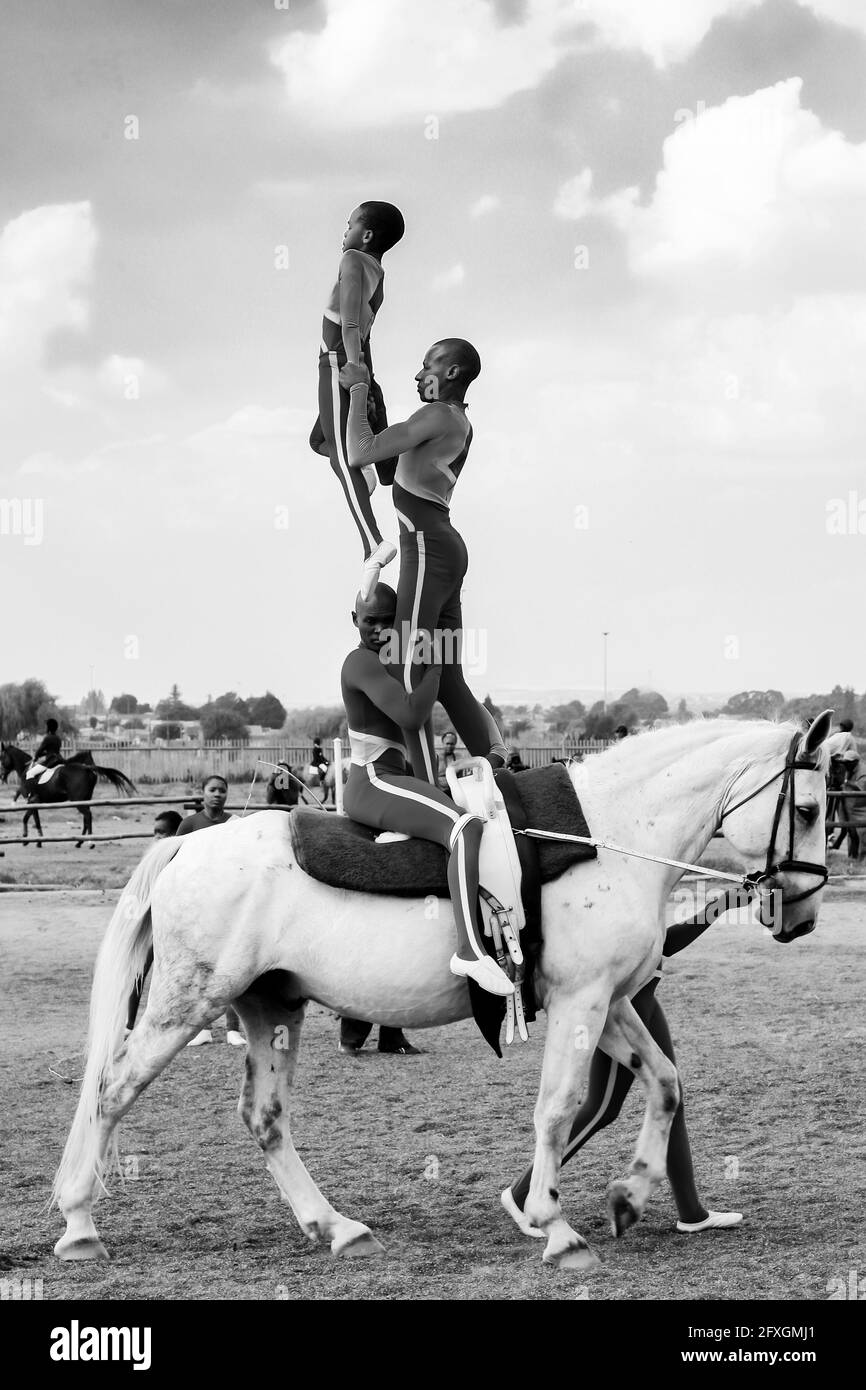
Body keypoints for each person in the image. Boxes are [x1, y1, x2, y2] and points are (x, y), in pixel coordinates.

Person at [501, 897, 744, 1238]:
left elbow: (664, 943)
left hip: (646, 1000)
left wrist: (724, 905)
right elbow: (664, 945)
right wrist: (722, 906)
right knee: (602, 1108)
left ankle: (691, 1212)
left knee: (670, 1098)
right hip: (626, 1004)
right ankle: (521, 1192)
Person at [341, 339, 507, 785]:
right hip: (446, 548)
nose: (417, 376)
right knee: (447, 672)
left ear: (451, 373)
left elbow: (359, 452)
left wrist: (357, 390)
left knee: (406, 667)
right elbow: (395, 471)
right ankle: (497, 759)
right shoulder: (458, 422)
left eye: (426, 365)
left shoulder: (434, 415)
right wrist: (377, 411)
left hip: (426, 549)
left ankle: (430, 790)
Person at [340, 582, 513, 997]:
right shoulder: (361, 662)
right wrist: (434, 664)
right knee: (465, 828)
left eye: (388, 621)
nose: (380, 630)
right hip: (374, 782)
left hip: (394, 780)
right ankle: (469, 950)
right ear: (354, 621)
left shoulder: (394, 664)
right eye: (370, 621)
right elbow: (411, 712)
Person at [313, 201, 405, 600]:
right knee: (318, 441)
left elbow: (350, 323)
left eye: (349, 224)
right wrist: (367, 374)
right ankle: (367, 472)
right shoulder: (378, 274)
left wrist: (353, 373)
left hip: (336, 364)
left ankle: (374, 543)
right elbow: (365, 329)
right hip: (348, 361)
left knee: (339, 454)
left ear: (365, 235)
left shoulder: (353, 259)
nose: (344, 231)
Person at [179, 776, 246, 1048]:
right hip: (199, 903)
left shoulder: (236, 824)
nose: (217, 795)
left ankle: (232, 1028)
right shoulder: (190, 824)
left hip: (228, 902)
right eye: (212, 790)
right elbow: (177, 861)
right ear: (203, 794)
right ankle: (202, 1029)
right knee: (201, 968)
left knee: (232, 967)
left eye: (222, 791)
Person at [125, 810, 184, 1033]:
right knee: (138, 972)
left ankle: (171, 1023)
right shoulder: (152, 860)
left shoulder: (179, 860)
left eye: (163, 833)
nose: (157, 838)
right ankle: (129, 1023)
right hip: (150, 926)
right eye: (155, 833)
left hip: (172, 927)